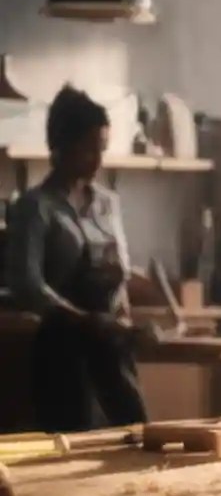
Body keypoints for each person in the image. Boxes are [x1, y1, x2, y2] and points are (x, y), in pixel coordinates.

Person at [6, 85, 148, 431]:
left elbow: (121, 271)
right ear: (60, 146)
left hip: (111, 346)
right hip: (64, 348)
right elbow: (28, 284)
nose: (98, 160)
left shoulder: (107, 203)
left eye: (101, 148)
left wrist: (124, 321)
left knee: (133, 433)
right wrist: (85, 321)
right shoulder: (35, 207)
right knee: (73, 441)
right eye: (88, 150)